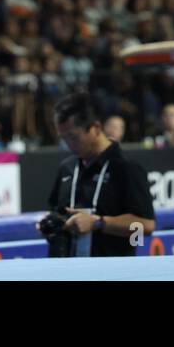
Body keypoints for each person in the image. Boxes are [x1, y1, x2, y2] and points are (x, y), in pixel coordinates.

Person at [42, 93, 155, 257]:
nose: (68, 144)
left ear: (95, 128)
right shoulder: (66, 168)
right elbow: (54, 211)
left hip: (110, 272)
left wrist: (99, 223)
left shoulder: (127, 169)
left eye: (73, 136)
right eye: (63, 137)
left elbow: (145, 229)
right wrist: (50, 224)